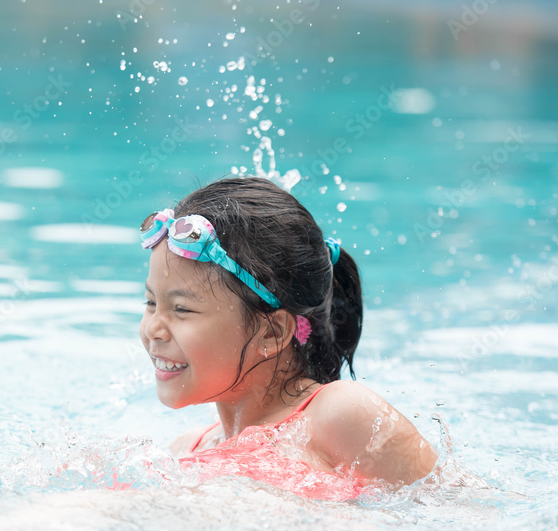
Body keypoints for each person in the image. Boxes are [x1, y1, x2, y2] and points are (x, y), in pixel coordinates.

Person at [138, 177, 439, 499]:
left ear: (272, 332)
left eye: (182, 309)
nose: (154, 328)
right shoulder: (185, 450)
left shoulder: (338, 413)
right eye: (151, 303)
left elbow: (456, 509)